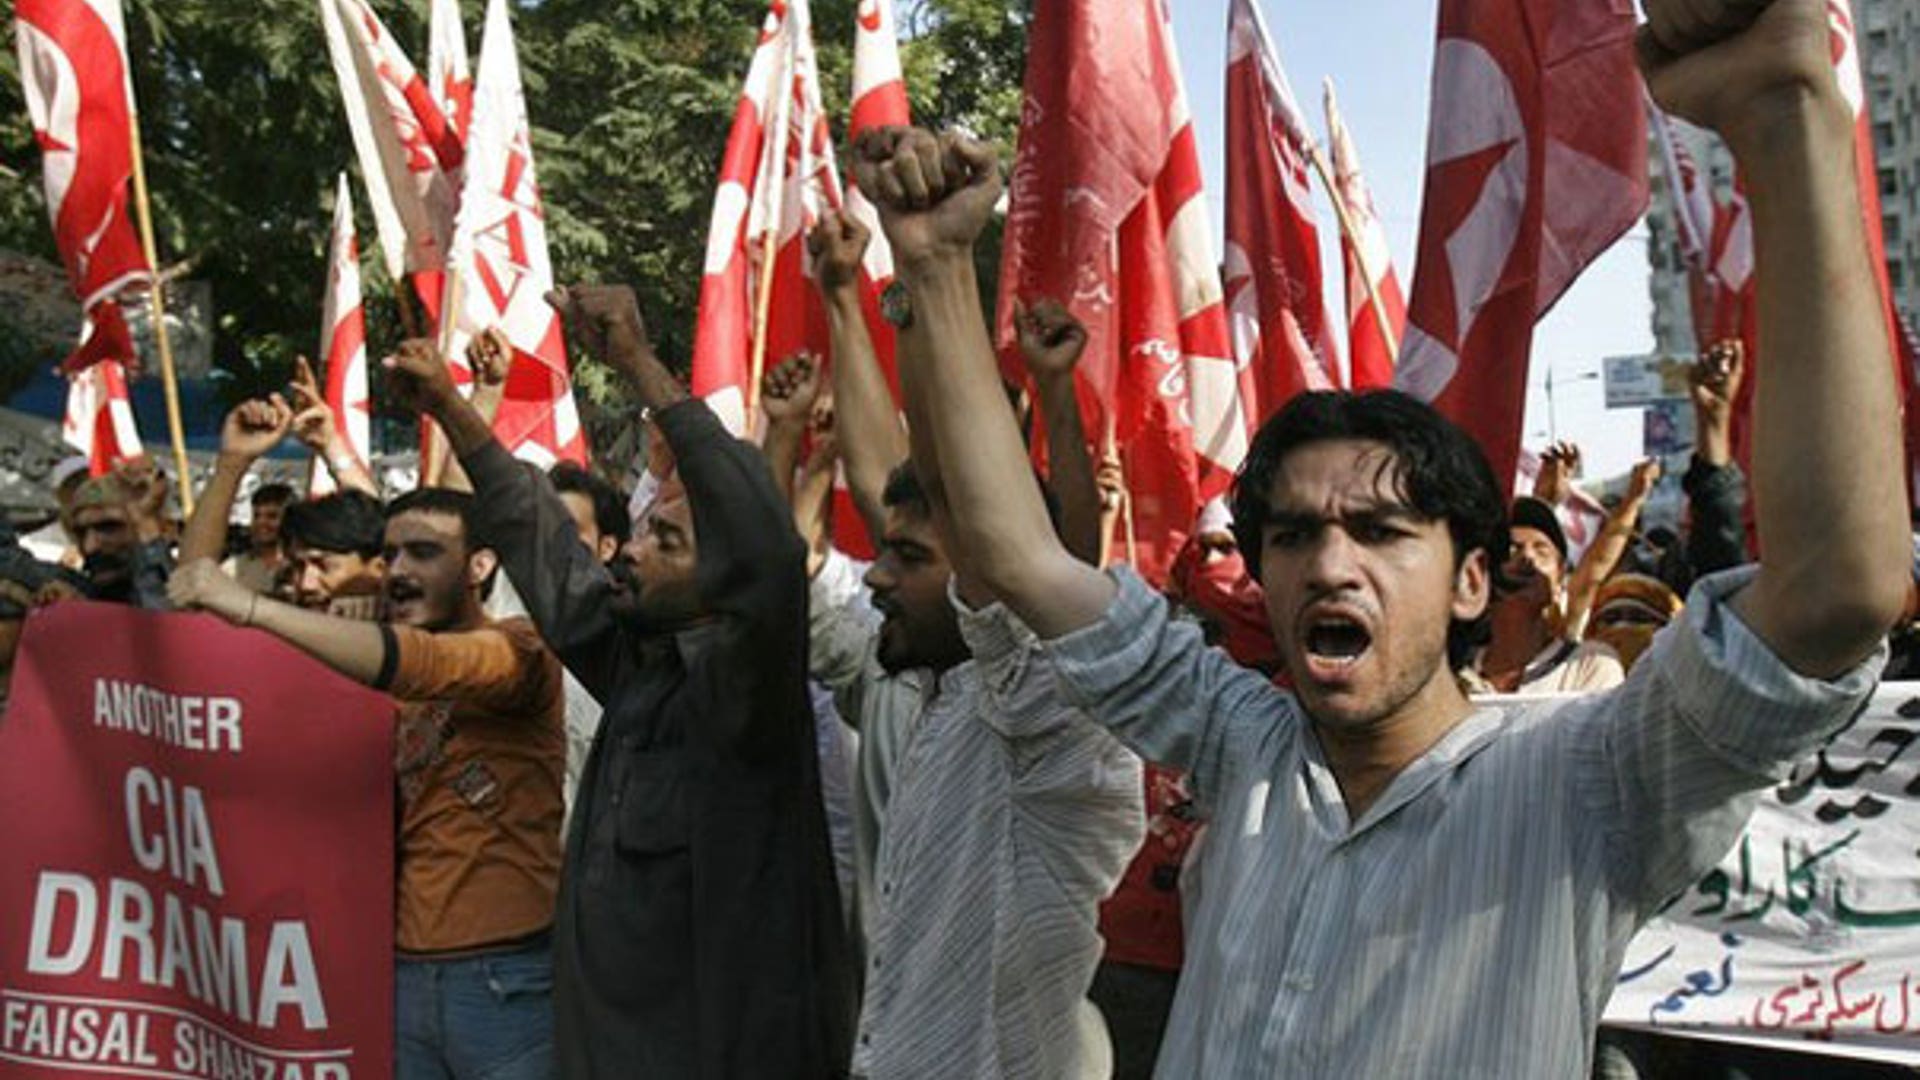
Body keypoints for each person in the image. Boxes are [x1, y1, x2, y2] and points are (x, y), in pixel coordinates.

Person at [846, 0, 1911, 1069]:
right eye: (1295, 534)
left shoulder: (1592, 780)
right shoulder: (1241, 745)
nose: (1331, 563)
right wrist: (936, 270)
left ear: (1469, 581)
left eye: (1383, 530)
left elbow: (1835, 596)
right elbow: (1018, 560)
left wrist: (1786, 115)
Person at [384, 294, 855, 1077]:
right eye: (639, 530)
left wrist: (638, 361)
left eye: (663, 538)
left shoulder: (746, 695)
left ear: (724, 575)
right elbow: (542, 548)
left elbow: (766, 544)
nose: (629, 552)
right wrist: (449, 406)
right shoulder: (639, 665)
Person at [801, 210, 1143, 1078]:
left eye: (909, 557)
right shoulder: (939, 697)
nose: (875, 575)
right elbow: (901, 485)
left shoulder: (1044, 714)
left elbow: (1035, 540)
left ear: (993, 574)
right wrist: (853, 301)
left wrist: (933, 272)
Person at [169, 487, 566, 1080]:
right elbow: (190, 625)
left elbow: (423, 661)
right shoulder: (358, 655)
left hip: (505, 979)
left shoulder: (520, 650)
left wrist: (252, 607)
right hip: (395, 973)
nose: (400, 571)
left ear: (480, 566)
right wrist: (231, 464)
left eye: (424, 553)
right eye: (392, 555)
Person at [1466, 495, 1626, 694]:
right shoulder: (1454, 674)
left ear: (1559, 583)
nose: (1527, 557)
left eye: (1542, 551)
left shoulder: (1589, 665)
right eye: (1512, 549)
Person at [68, 459, 172, 607]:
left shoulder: (202, 598)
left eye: (108, 527)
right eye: (80, 533)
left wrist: (147, 532)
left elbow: (166, 621)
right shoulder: (71, 595)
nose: (90, 547)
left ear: (164, 529)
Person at [227, 481, 294, 593]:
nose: (261, 522)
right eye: (256, 516)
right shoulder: (235, 567)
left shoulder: (301, 567)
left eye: (272, 516)